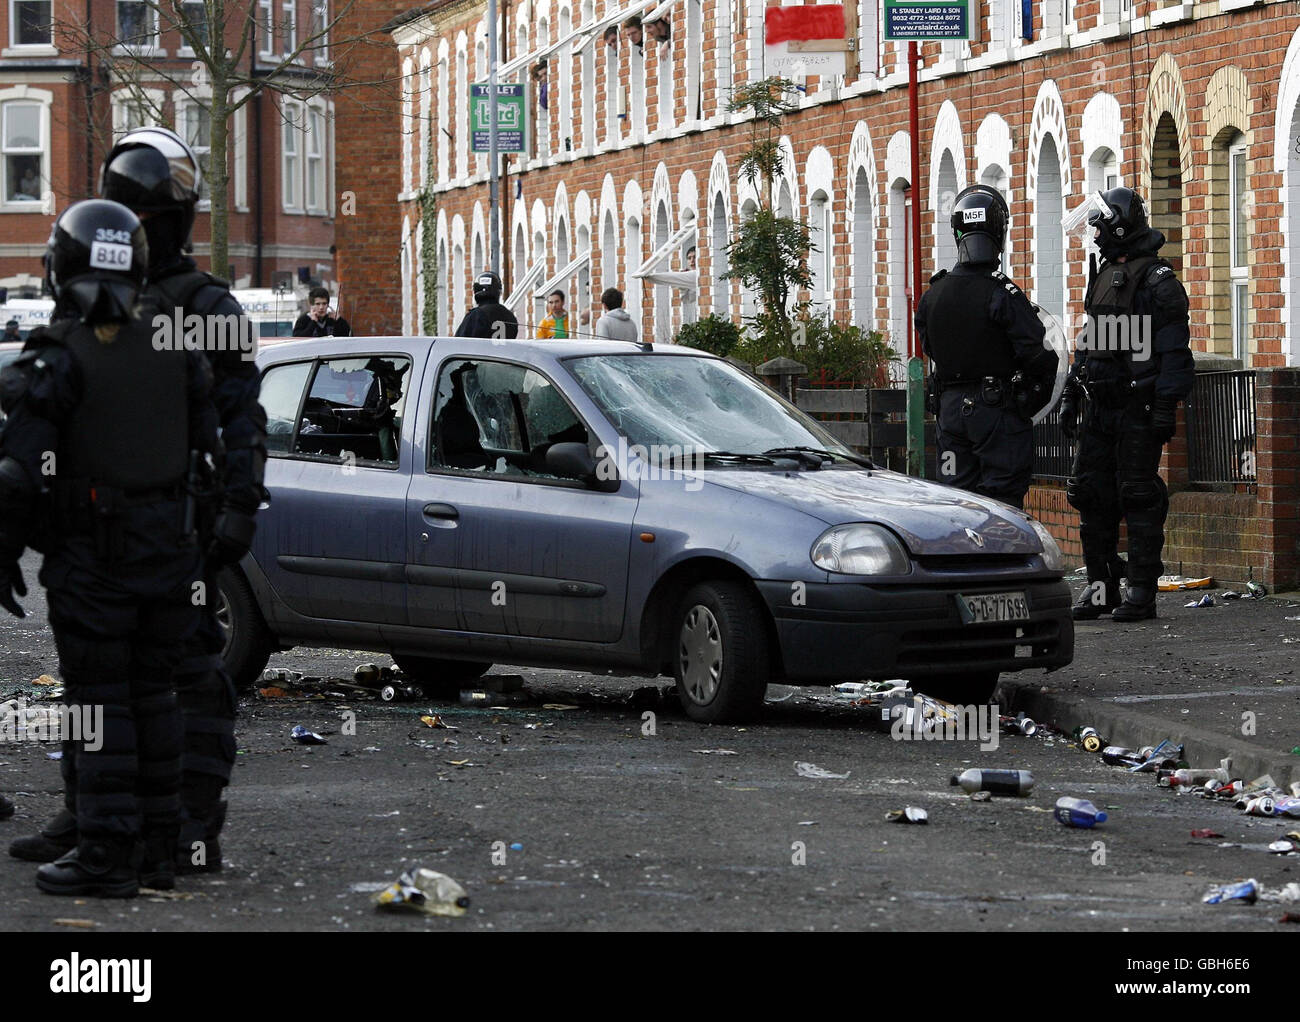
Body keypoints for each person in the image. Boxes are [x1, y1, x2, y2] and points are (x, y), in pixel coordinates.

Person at [9, 126, 267, 877]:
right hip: (125, 523)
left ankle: (183, 829)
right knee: (108, 683)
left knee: (179, 683)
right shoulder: (110, 297)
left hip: (179, 521)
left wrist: (238, 506)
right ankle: (96, 818)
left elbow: (240, 415)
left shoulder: (202, 304)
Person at [0, 198, 218, 896]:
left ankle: (105, 850)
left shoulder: (60, 354)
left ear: (63, 265)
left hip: (93, 559)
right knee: (154, 699)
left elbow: (16, 474)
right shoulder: (176, 342)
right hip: (170, 553)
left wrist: (5, 551)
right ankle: (159, 849)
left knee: (99, 706)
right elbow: (209, 450)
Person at [1060, 186, 1193, 622]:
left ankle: (1141, 590)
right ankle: (1101, 589)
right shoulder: (1101, 273)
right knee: (1088, 493)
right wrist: (1070, 393)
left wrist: (1165, 404)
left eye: (1101, 223)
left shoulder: (1158, 281)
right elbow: (1091, 340)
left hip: (1137, 405)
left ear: (1119, 225)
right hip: (1099, 406)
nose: (1095, 232)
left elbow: (1174, 352)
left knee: (1136, 494)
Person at [916, 184, 1058, 510]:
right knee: (1002, 502)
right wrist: (1028, 401)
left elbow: (929, 347)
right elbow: (1039, 355)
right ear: (998, 232)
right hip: (995, 411)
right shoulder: (1002, 293)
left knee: (955, 499)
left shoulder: (933, 295)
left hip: (949, 414)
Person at [455, 271, 519, 339]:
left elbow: (459, 341)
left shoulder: (476, 315)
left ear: (475, 292)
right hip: (504, 350)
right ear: (498, 291)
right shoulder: (510, 316)